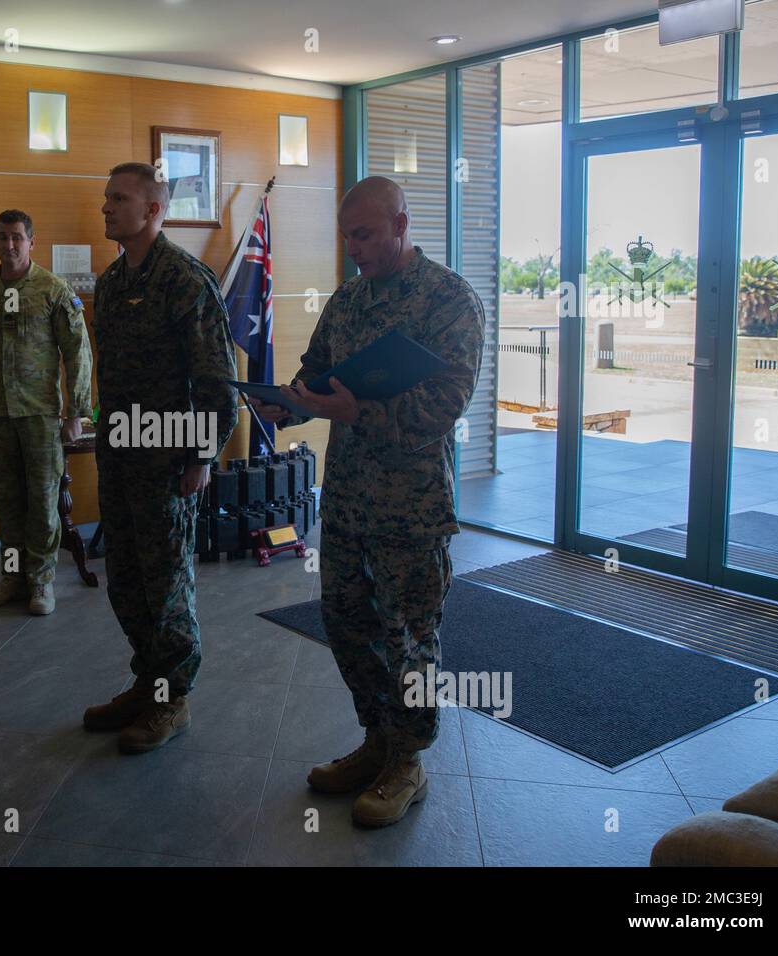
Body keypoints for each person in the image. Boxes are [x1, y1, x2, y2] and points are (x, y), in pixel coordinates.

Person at [251, 176, 485, 827]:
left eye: (365, 234)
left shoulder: (450, 300)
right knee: (348, 626)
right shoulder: (349, 301)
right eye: (346, 234)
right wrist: (287, 403)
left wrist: (361, 410)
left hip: (412, 509)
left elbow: (445, 406)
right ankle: (376, 742)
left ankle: (407, 761)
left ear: (402, 224)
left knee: (409, 639)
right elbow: (315, 375)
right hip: (349, 502)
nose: (353, 247)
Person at [81, 161, 237, 754]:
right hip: (121, 455)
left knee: (167, 583)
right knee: (126, 578)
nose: (106, 208)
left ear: (153, 210)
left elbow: (217, 382)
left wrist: (200, 457)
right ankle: (146, 681)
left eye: (118, 198)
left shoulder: (186, 281)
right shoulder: (114, 282)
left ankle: (172, 700)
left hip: (169, 462)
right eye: (105, 197)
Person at [0, 209, 93, 616]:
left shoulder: (53, 290)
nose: (10, 245)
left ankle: (41, 581)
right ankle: (13, 577)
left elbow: (78, 352)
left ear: (31, 242)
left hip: (39, 415)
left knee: (42, 500)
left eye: (17, 237)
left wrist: (76, 412)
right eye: (3, 237)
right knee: (6, 502)